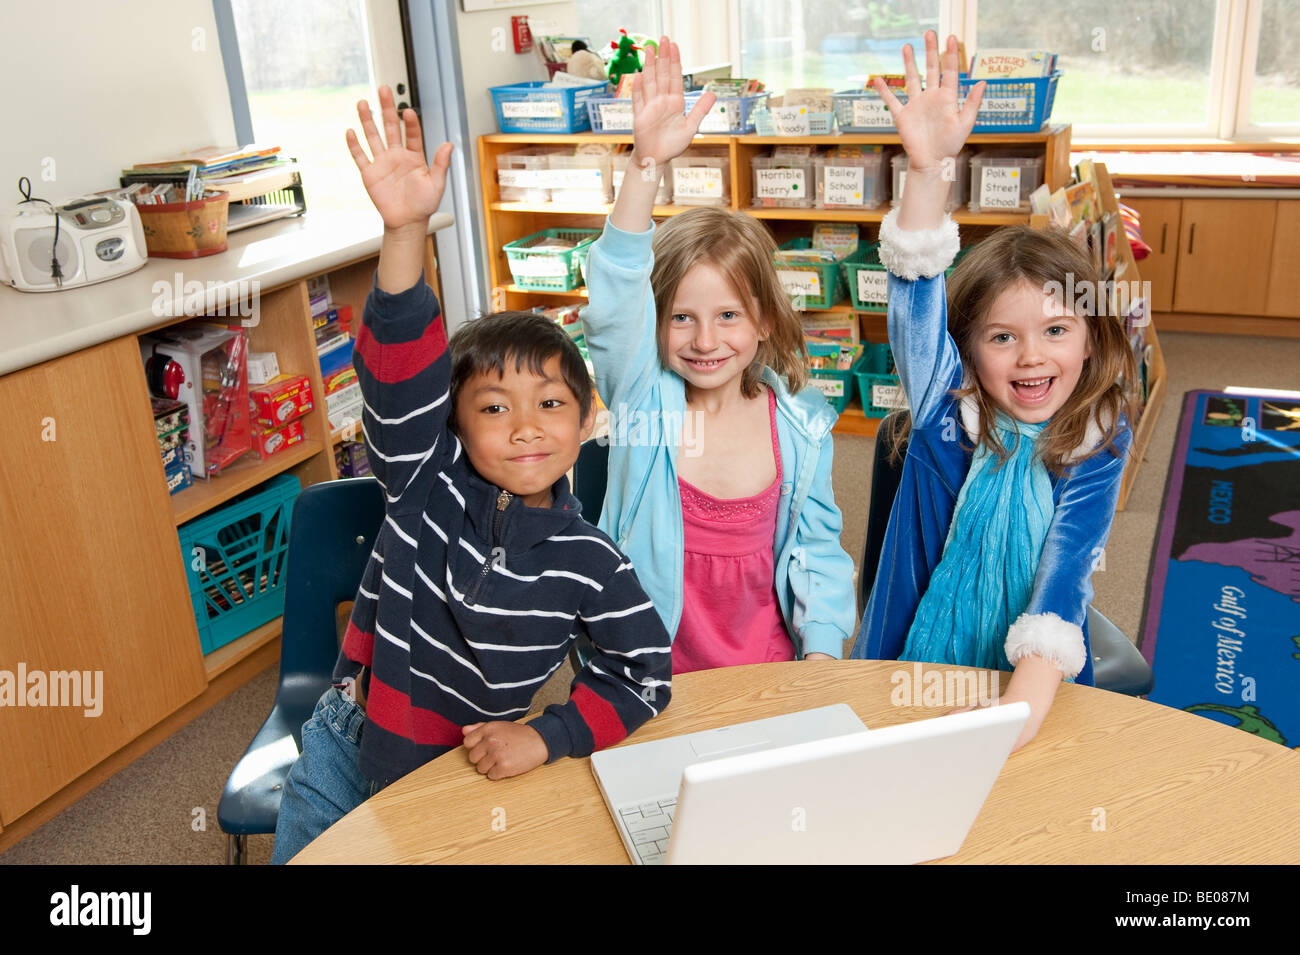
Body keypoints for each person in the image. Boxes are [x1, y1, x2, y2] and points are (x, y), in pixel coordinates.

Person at [271, 88, 672, 863]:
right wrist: (404, 232)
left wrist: (548, 735)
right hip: (346, 754)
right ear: (454, 423)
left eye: (551, 402)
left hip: (471, 772)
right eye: (493, 406)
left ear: (587, 420)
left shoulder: (591, 559)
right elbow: (398, 382)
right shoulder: (427, 479)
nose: (525, 425)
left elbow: (644, 675)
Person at [850, 32, 1137, 751]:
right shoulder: (950, 409)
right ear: (967, 351)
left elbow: (1063, 583)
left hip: (1028, 682)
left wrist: (1017, 716)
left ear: (1093, 335)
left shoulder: (1097, 439)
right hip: (908, 662)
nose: (1032, 356)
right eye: (1002, 336)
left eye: (1056, 330)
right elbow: (916, 297)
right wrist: (928, 170)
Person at [581, 38, 857, 674]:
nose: (705, 341)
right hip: (646, 675)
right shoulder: (642, 399)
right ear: (653, 324)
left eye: (728, 316)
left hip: (766, 667)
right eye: (681, 318)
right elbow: (616, 293)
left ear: (762, 321)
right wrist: (643, 167)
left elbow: (817, 551)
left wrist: (819, 654)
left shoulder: (802, 426)